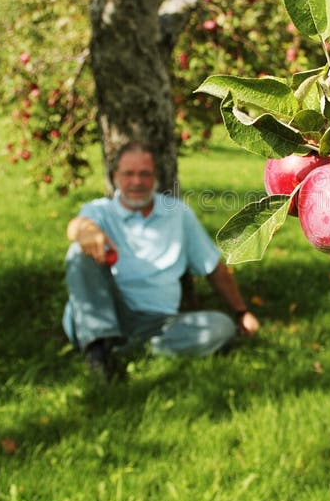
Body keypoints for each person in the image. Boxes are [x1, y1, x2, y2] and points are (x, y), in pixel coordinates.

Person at [62, 139, 260, 379]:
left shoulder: (177, 213)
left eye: (145, 174)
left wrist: (241, 312)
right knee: (77, 252)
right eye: (129, 174)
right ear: (115, 176)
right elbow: (76, 227)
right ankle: (99, 355)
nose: (137, 182)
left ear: (155, 176)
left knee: (221, 327)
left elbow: (212, 266)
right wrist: (85, 231)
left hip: (160, 323)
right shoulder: (100, 211)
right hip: (110, 310)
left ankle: (126, 347)